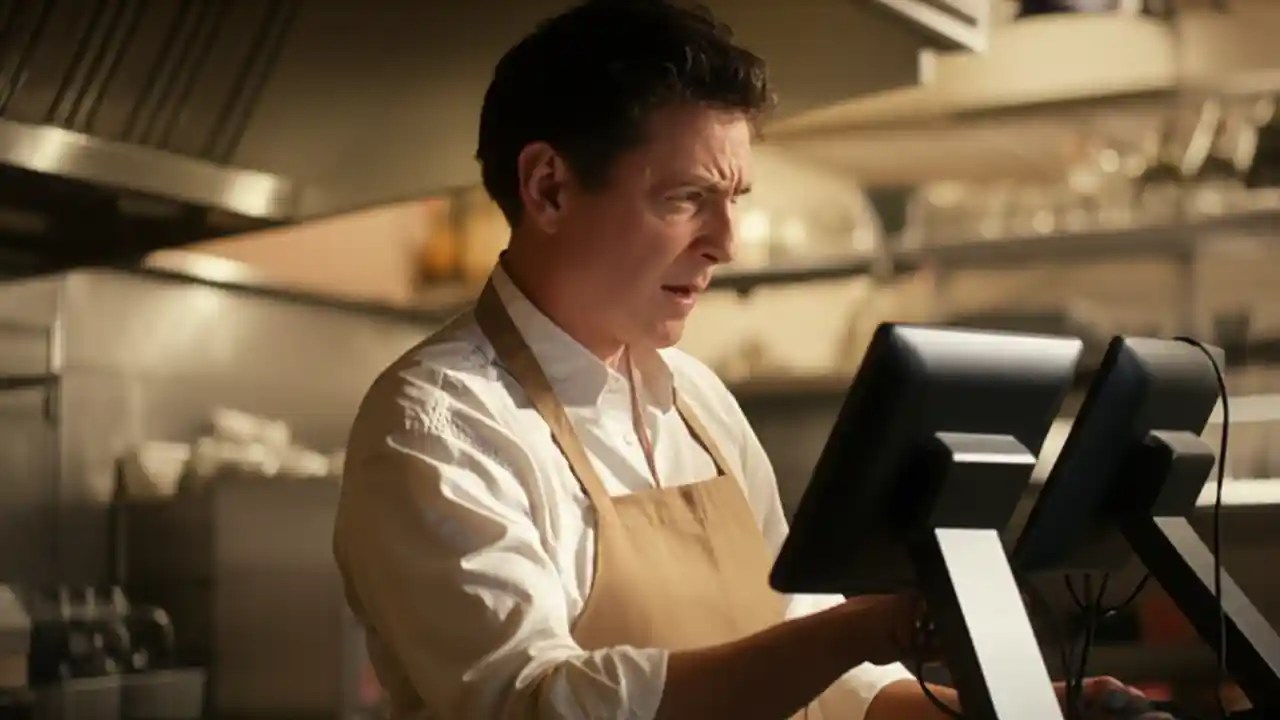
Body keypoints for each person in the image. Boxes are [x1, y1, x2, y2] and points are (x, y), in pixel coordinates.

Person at [333, 2, 1163, 718]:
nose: (725, 244)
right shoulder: (438, 421)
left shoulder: (698, 400)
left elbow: (832, 693)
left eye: (733, 202)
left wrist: (1039, 706)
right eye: (686, 199)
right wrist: (864, 624)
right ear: (549, 187)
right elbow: (539, 703)